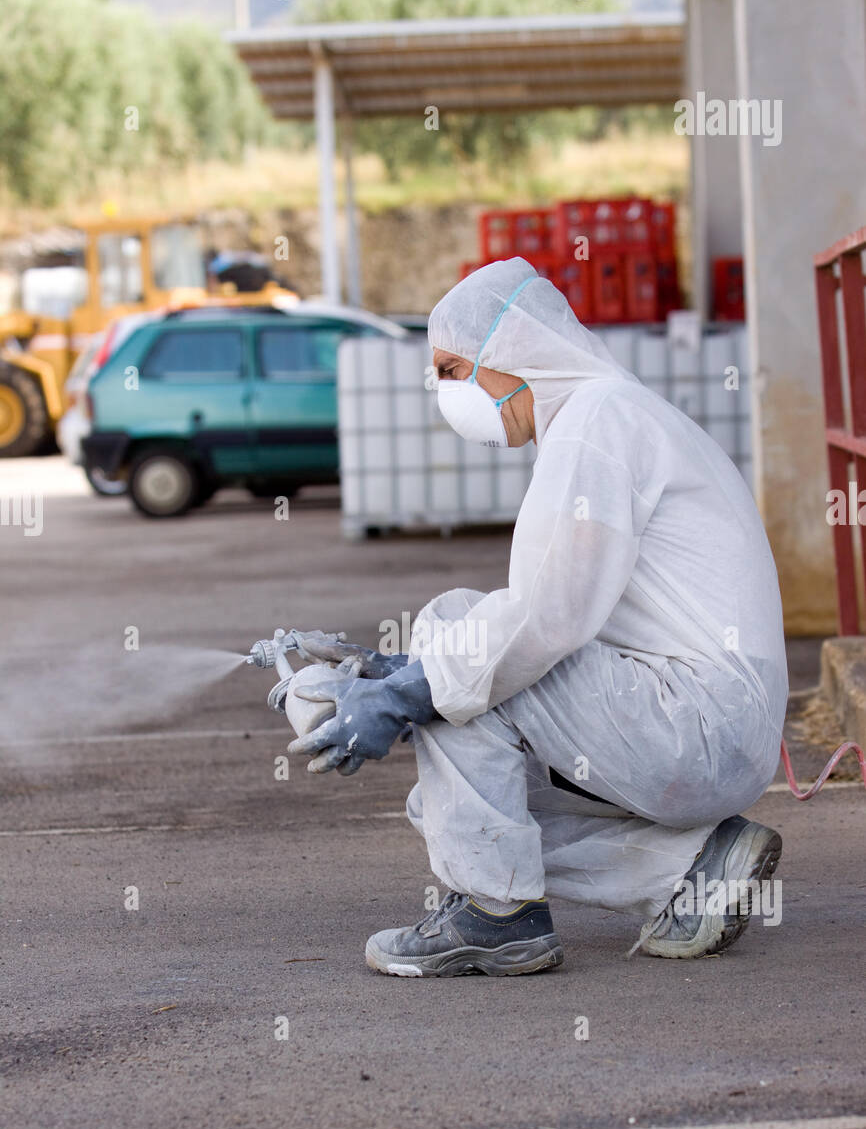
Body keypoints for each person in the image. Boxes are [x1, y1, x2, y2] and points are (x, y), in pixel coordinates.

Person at [288, 257, 787, 978]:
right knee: (453, 807)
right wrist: (397, 676)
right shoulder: (609, 415)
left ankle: (495, 913)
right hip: (706, 728)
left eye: (454, 370)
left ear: (510, 353)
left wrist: (406, 688)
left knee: (453, 623)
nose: (447, 393)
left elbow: (547, 617)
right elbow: (562, 616)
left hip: (697, 726)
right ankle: (693, 868)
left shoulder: (596, 423)